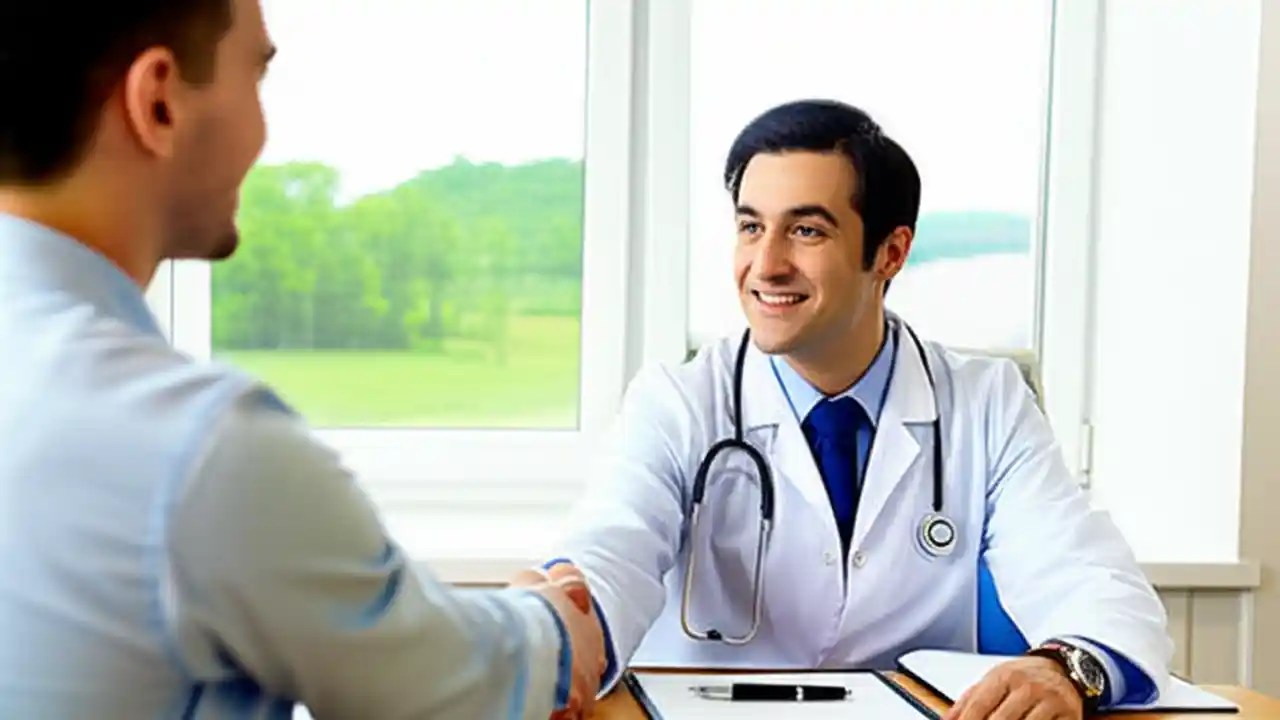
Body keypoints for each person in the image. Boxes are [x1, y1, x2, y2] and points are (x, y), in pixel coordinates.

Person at [0, 1, 604, 717]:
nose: (263, 128)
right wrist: (554, 630)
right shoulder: (199, 445)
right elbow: (440, 684)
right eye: (255, 76)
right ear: (158, 101)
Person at [538, 99, 1173, 719]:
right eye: (751, 226)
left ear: (891, 253)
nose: (766, 265)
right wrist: (560, 619)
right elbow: (610, 548)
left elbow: (1088, 576)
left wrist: (1063, 666)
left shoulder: (987, 403)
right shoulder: (678, 401)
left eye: (806, 231)